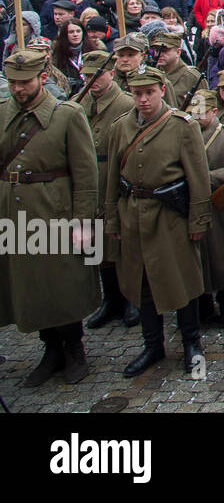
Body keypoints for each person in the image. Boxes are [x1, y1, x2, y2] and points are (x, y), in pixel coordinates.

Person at [0, 48, 100, 386]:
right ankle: (50, 349)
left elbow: (86, 174)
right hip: (13, 212)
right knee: (29, 284)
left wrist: (85, 221)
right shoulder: (2, 113)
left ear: (42, 77)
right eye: (13, 82)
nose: (18, 89)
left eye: (25, 82)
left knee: (63, 284)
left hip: (55, 211)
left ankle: (74, 349)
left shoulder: (66, 114)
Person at [104, 65, 210, 377]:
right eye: (137, 94)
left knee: (182, 280)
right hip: (133, 214)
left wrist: (198, 221)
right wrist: (112, 220)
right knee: (143, 282)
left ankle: (192, 342)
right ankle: (152, 345)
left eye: (149, 92)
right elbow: (112, 179)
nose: (144, 100)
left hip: (170, 216)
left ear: (161, 90)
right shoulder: (121, 127)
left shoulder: (182, 126)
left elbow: (199, 179)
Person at [77, 50, 139, 331]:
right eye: (87, 76)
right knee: (96, 243)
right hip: (89, 178)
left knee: (122, 240)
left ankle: (130, 298)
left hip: (116, 174)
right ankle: (110, 298)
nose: (92, 81)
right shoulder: (79, 104)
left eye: (97, 75)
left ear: (110, 74)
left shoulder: (126, 103)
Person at [188, 90, 224, 329]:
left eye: (201, 112)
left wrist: (205, 178)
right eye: (193, 112)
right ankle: (203, 302)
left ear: (214, 111)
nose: (196, 117)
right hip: (193, 205)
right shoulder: (185, 135)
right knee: (197, 256)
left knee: (223, 256)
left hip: (219, 204)